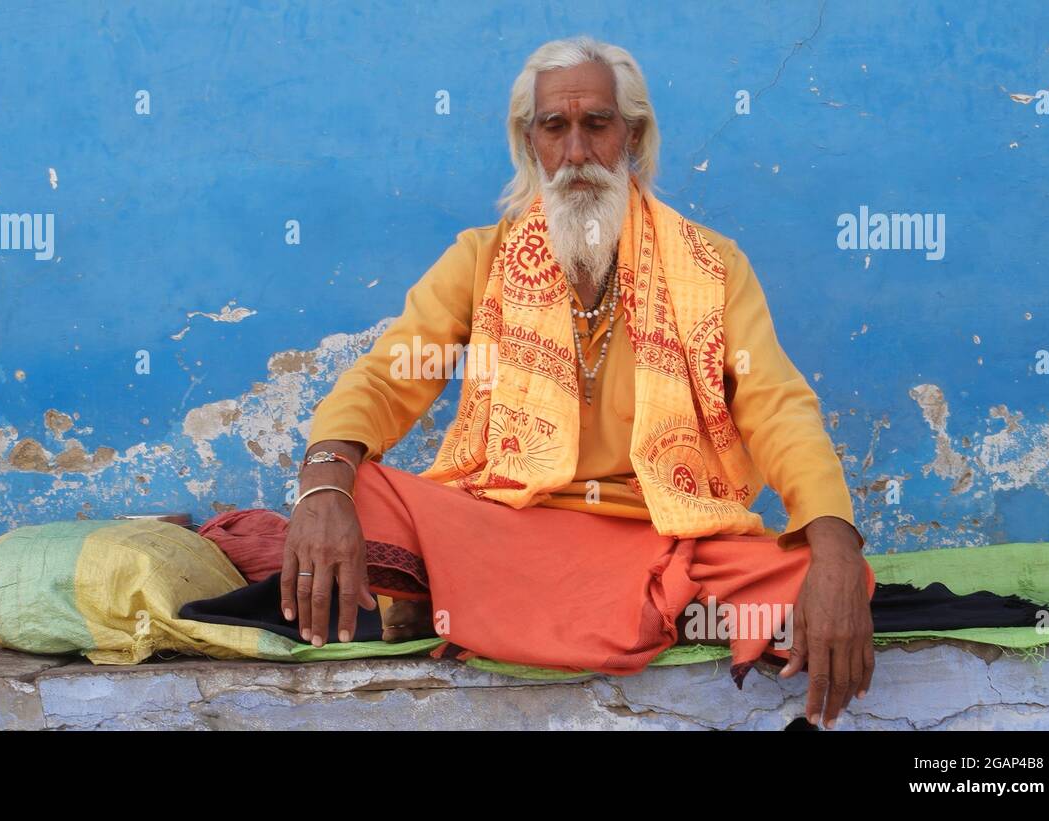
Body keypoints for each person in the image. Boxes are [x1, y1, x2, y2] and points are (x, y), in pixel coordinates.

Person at [281, 36, 874, 729]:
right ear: (529, 142)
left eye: (597, 124)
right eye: (554, 128)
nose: (576, 153)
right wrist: (324, 482)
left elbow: (778, 407)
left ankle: (467, 607)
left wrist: (834, 540)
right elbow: (386, 376)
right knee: (361, 488)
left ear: (633, 135)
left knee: (830, 575)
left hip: (657, 542)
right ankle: (576, 612)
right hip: (506, 531)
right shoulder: (482, 258)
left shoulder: (711, 266)